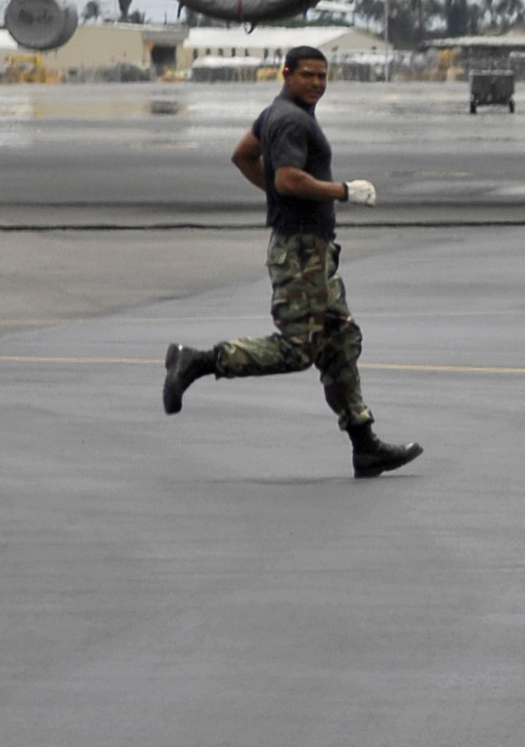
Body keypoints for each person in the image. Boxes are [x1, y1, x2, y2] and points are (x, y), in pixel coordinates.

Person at [161, 46, 423, 478]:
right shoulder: (291, 120)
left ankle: (365, 445)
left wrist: (278, 194)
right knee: (299, 349)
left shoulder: (276, 114)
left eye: (323, 76)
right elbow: (287, 177)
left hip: (313, 252)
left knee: (340, 340)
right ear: (286, 74)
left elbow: (243, 154)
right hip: (300, 252)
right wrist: (344, 191)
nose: (317, 84)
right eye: (307, 75)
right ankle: (197, 361)